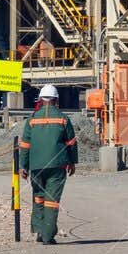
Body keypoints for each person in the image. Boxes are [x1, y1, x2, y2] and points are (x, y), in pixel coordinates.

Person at [18, 85, 76, 244]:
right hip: (57, 166)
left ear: (41, 100)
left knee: (39, 198)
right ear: (56, 99)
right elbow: (71, 142)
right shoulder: (63, 118)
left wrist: (23, 166)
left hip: (36, 166)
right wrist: (72, 162)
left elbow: (25, 145)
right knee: (51, 200)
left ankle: (38, 230)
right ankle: (48, 236)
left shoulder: (32, 120)